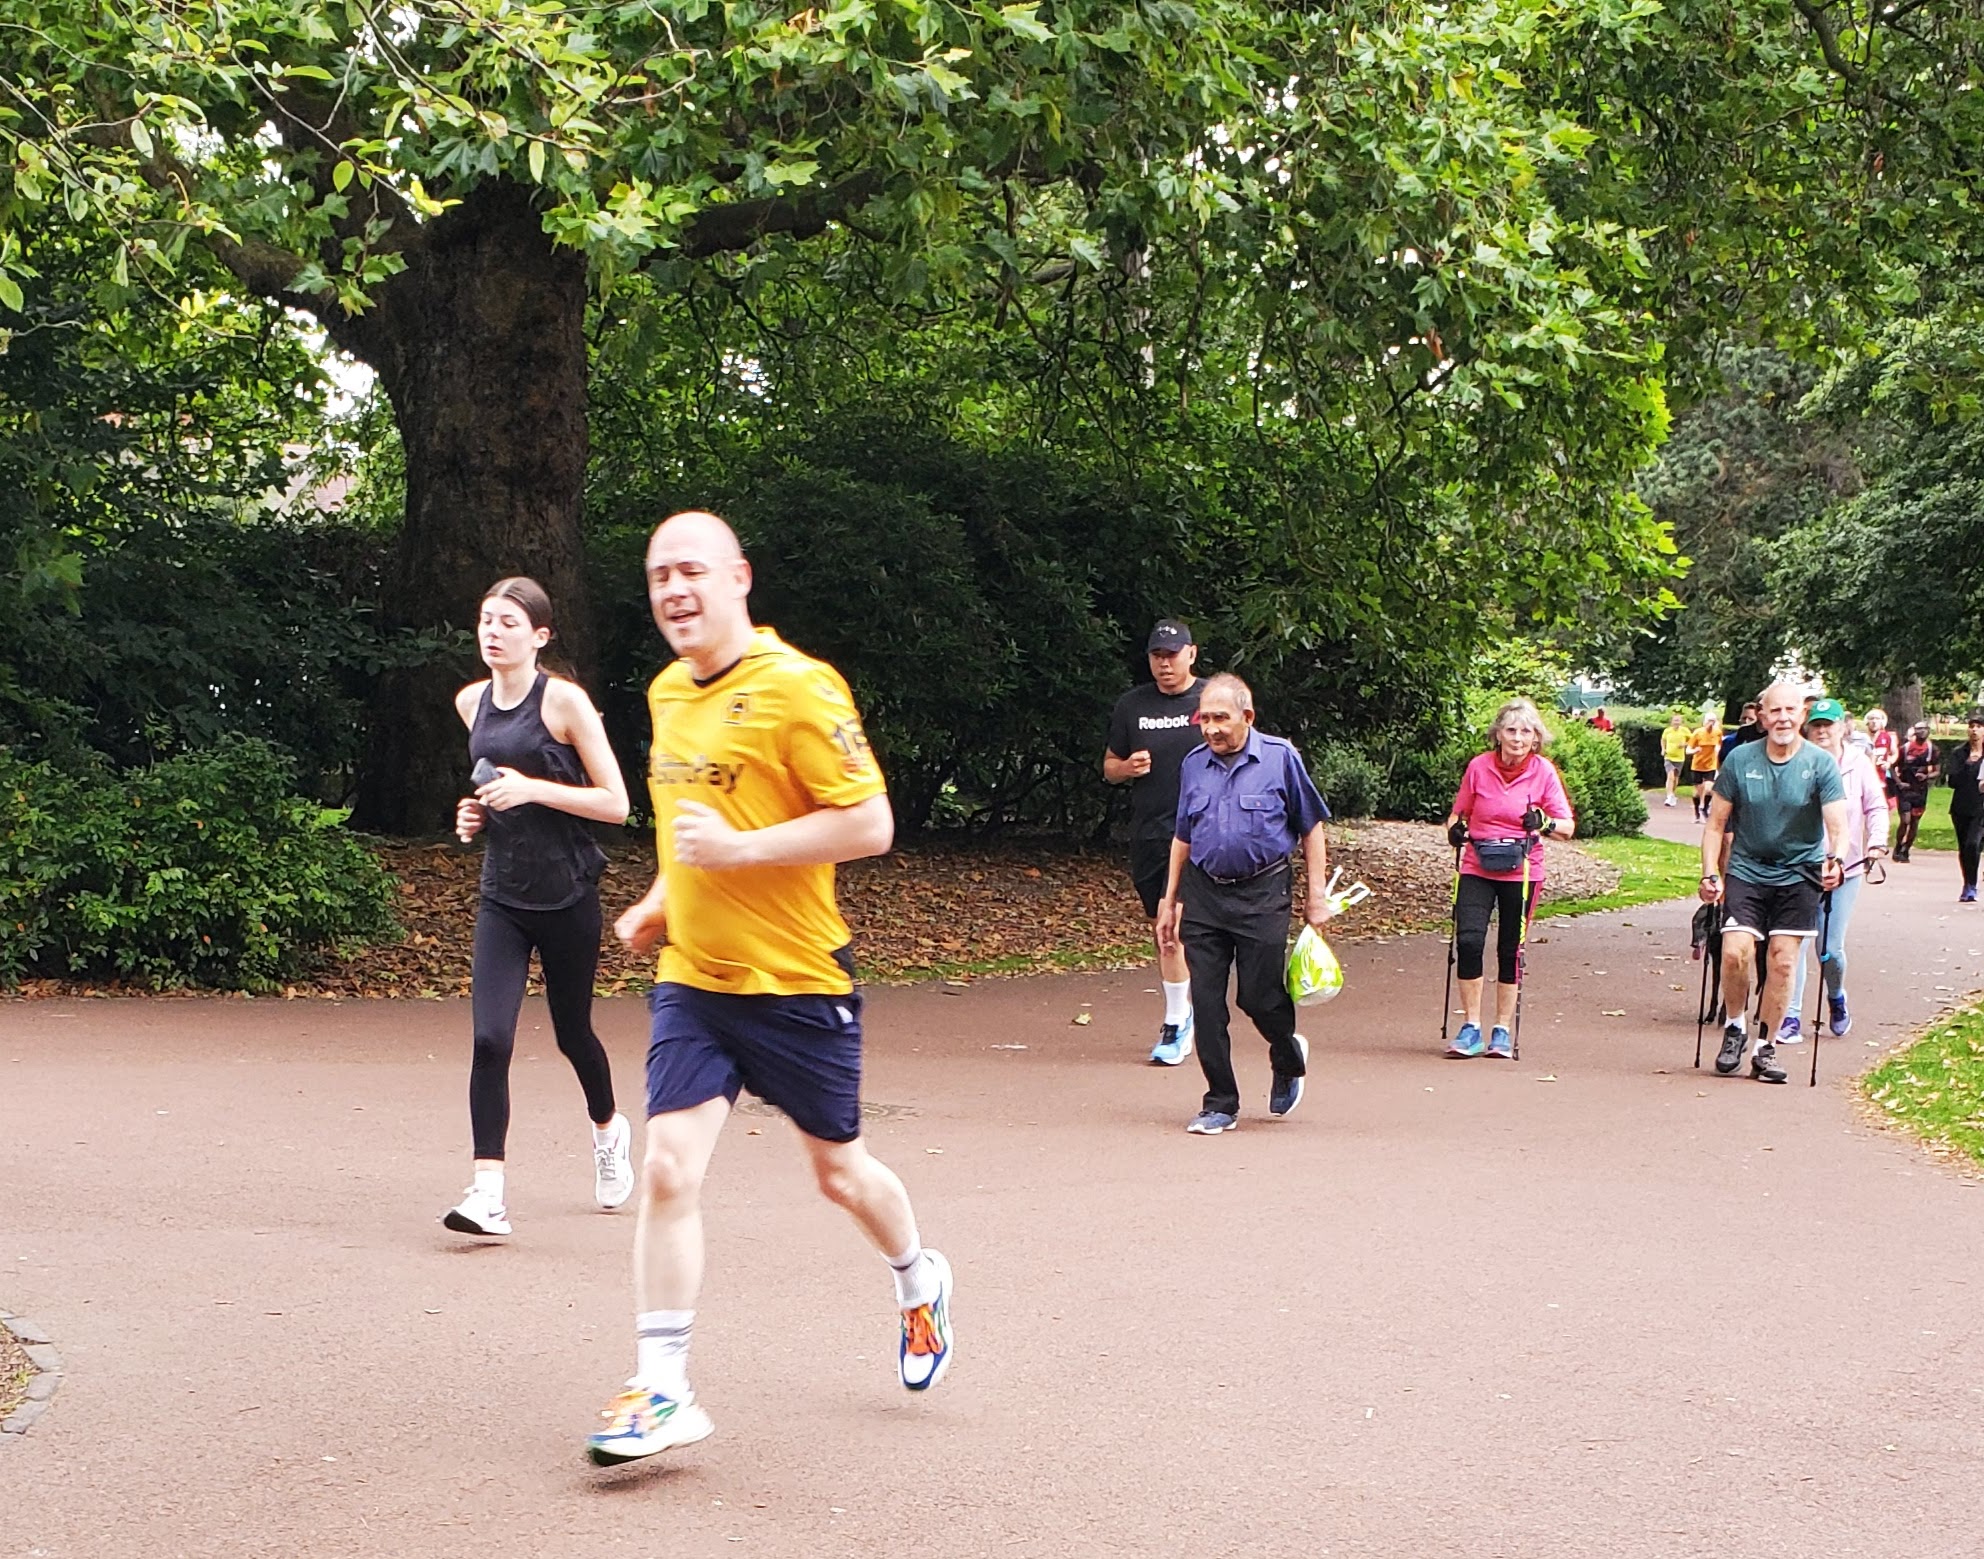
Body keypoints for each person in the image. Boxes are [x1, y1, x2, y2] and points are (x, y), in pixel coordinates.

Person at [587, 511, 951, 1467]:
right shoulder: (668, 692)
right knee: (667, 1167)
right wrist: (662, 897)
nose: (675, 590)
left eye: (693, 570)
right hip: (695, 982)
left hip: (797, 982)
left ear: (739, 577)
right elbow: (687, 830)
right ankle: (662, 1385)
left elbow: (870, 822)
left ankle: (919, 1278)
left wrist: (742, 852)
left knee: (839, 1175)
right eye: (660, 573)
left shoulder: (799, 688)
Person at [444, 577, 633, 1238]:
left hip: (567, 894)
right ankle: (487, 1191)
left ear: (540, 636)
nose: (492, 631)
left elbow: (616, 804)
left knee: (571, 1033)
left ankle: (609, 1128)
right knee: (490, 1036)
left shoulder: (565, 703)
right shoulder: (472, 702)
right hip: (503, 895)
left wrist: (533, 790)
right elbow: (490, 790)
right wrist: (475, 812)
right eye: (485, 619)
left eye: (508, 622)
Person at [1154, 673, 1332, 1135]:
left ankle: (1287, 1054)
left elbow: (1311, 828)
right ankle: (1220, 1101)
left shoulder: (1280, 759)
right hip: (1205, 893)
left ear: (1247, 717)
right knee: (1208, 1002)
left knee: (1258, 996)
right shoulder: (1194, 764)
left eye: (1221, 718)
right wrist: (1168, 900)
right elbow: (1182, 835)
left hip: (1263, 893)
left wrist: (1316, 898)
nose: (1211, 728)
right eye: (1204, 719)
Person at [1699, 682, 1848, 1084]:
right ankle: (1734, 1027)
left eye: (1790, 710)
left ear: (1802, 714)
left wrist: (1836, 858)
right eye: (1774, 711)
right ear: (1761, 717)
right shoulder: (1739, 760)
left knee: (1782, 961)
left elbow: (1837, 822)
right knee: (1734, 953)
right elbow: (1715, 824)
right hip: (1748, 869)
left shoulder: (1820, 764)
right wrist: (1710, 872)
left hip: (1799, 873)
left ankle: (1765, 1048)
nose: (1782, 718)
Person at [1441, 699, 1577, 1059]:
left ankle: (1501, 1028)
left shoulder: (1544, 772)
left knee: (1509, 949)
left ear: (1536, 739)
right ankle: (1471, 1026)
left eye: (1526, 732)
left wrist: (1543, 823)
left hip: (1523, 869)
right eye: (1511, 730)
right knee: (1468, 941)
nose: (1518, 738)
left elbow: (1567, 827)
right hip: (1476, 865)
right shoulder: (1478, 767)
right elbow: (1457, 815)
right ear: (1498, 734)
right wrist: (1456, 832)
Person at [1103, 620, 1204, 1066]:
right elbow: (1108, 767)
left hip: (1200, 836)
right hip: (1149, 834)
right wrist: (1126, 767)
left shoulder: (1211, 702)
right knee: (1161, 930)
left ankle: (1177, 1021)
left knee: (1174, 928)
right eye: (1157, 655)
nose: (1165, 663)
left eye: (1172, 654)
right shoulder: (1132, 705)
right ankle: (1188, 1010)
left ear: (1191, 654)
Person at [1783, 698, 1886, 1043]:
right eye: (1817, 724)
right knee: (1792, 942)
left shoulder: (1858, 763)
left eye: (1829, 724)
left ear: (1844, 727)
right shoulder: (1796, 761)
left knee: (1828, 948)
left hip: (1847, 867)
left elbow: (1876, 806)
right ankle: (1791, 1015)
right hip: (1801, 866)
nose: (1823, 730)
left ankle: (1836, 996)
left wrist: (1877, 842)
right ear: (1807, 728)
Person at [1944, 710, 1984, 902]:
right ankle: (1968, 883)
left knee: (1973, 844)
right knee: (1964, 848)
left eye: (1979, 726)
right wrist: (1968, 765)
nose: (1974, 730)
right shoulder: (1959, 753)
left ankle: (1973, 883)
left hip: (1981, 808)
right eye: (1972, 726)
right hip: (1961, 807)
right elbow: (1952, 781)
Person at [1891, 721, 1936, 862]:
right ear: (1914, 732)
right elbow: (1892, 767)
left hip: (1920, 791)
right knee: (1905, 820)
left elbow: (1937, 770)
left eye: (1924, 729)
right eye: (1919, 729)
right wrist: (1899, 782)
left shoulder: (1932, 749)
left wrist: (1927, 776)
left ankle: (1906, 850)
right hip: (1905, 790)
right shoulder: (1905, 749)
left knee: (1915, 821)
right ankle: (1898, 846)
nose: (1922, 732)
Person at [1687, 713, 1724, 821]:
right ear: (1704, 722)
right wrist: (1695, 750)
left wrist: (1717, 750)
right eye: (1709, 721)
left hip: (1710, 765)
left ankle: (1705, 809)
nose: (1711, 723)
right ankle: (1696, 812)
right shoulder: (1698, 733)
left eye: (1713, 721)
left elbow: (1720, 744)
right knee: (1698, 792)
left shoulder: (1717, 733)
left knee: (1709, 789)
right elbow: (1688, 750)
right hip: (1697, 765)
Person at [1718, 700, 1764, 766]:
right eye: (1744, 718)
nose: (1746, 721)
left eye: (1751, 719)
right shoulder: (1728, 741)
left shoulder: (1764, 743)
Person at [1660, 712, 1690, 807]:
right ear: (1671, 721)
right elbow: (1663, 740)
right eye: (1675, 720)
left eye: (1678, 720)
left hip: (1680, 757)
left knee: (1676, 778)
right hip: (1669, 756)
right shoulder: (1667, 731)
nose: (1676, 722)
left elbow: (1692, 740)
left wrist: (1684, 745)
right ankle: (1669, 796)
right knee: (1670, 775)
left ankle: (1673, 794)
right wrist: (1663, 749)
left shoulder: (1685, 731)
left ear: (1681, 722)